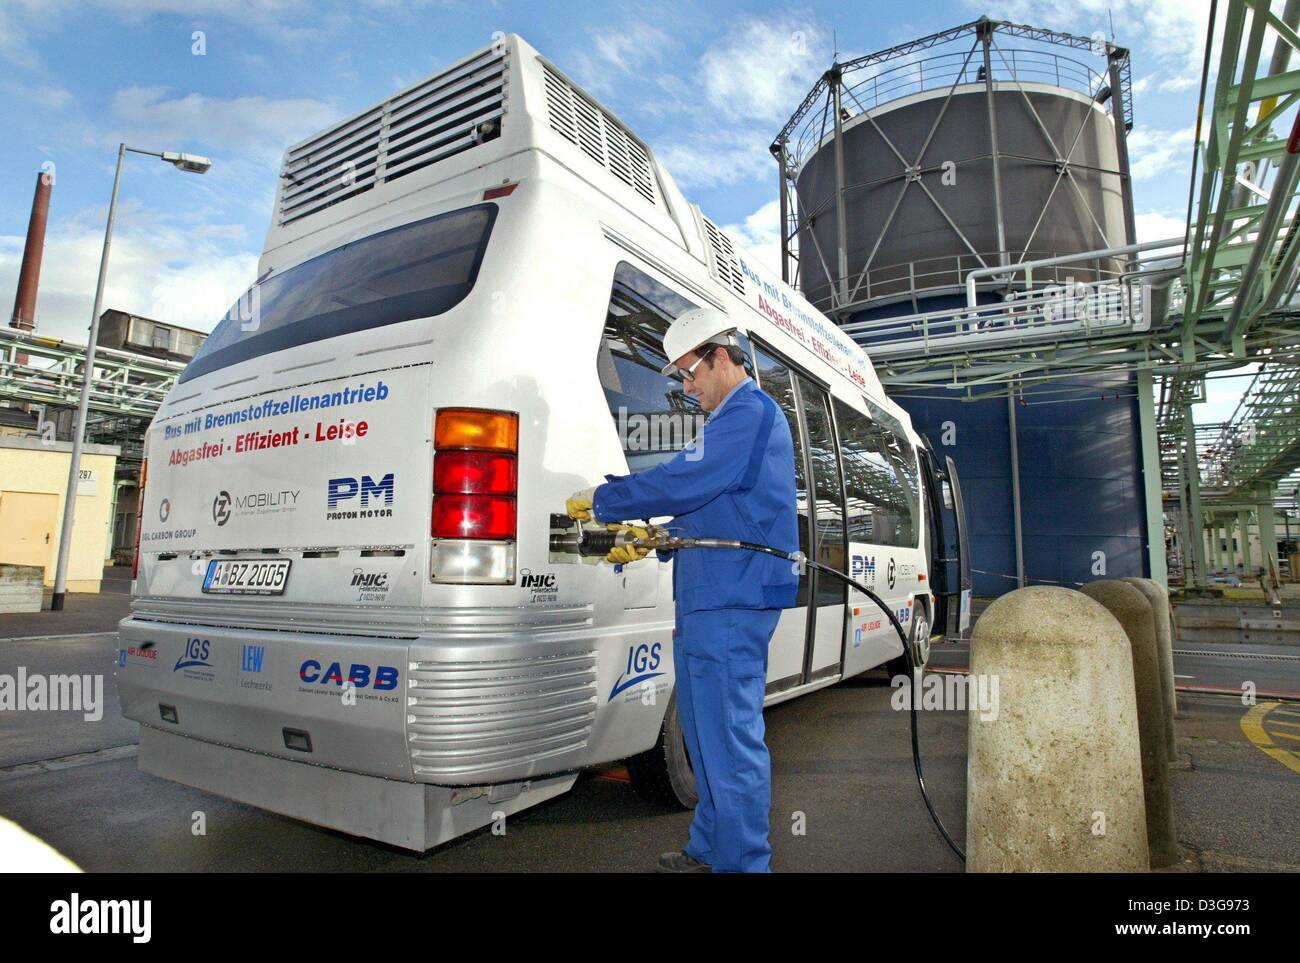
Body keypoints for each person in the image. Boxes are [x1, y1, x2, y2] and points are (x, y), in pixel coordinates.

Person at [567, 307, 799, 873]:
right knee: (703, 734)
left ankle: (743, 864)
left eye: (690, 373)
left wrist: (607, 500)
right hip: (709, 597)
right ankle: (709, 848)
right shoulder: (731, 421)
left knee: (729, 740)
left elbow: (688, 479)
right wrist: (662, 538)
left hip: (731, 601)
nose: (687, 387)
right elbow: (717, 509)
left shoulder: (747, 413)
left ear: (721, 356)